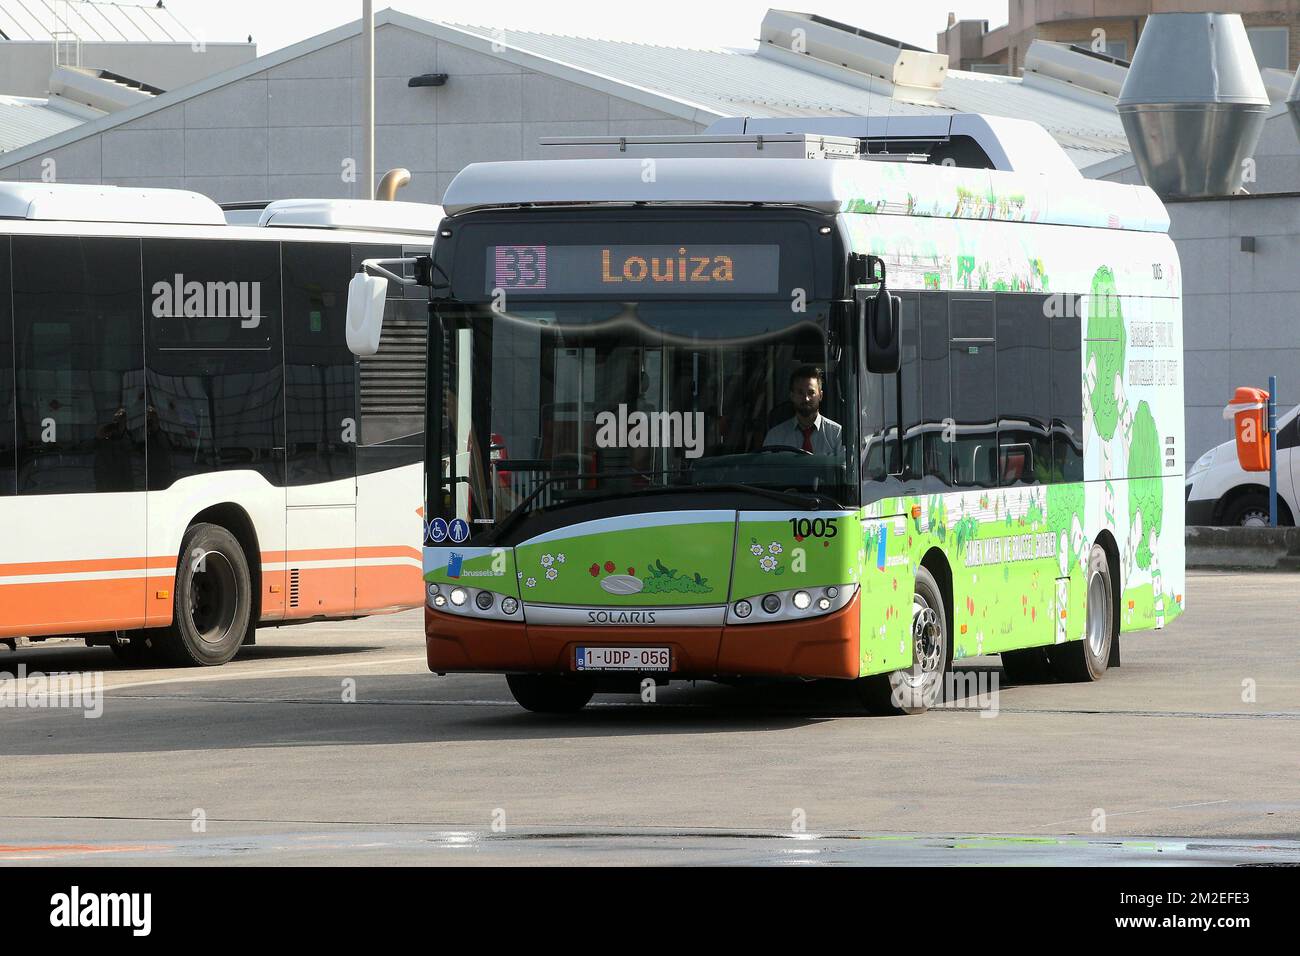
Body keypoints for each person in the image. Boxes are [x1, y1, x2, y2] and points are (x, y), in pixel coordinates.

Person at [763, 365, 842, 455]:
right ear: (792, 396)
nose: (806, 399)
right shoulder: (775, 436)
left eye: (811, 393)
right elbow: (765, 464)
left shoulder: (837, 434)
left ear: (820, 395)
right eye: (800, 393)